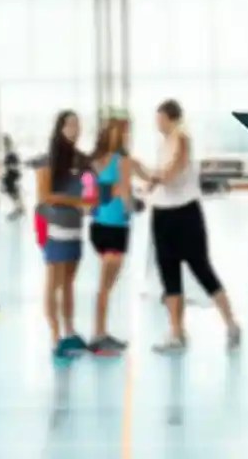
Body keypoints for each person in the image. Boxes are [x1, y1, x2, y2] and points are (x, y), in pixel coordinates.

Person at [148, 99, 240, 354]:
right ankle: (176, 333)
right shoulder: (163, 142)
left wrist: (157, 176)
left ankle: (231, 324)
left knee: (202, 270)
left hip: (185, 215)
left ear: (171, 118)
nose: (157, 123)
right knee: (169, 275)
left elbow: (173, 170)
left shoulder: (182, 137)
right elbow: (160, 175)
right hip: (162, 215)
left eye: (160, 118)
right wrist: (151, 182)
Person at [37, 110, 94, 359]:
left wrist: (88, 203)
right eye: (70, 124)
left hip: (75, 228)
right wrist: (75, 201)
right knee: (54, 281)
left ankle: (69, 331)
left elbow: (91, 193)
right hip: (56, 227)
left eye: (78, 124)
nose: (75, 128)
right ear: (59, 128)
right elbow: (45, 196)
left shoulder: (82, 160)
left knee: (69, 282)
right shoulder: (48, 160)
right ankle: (55, 336)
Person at [87, 117, 146, 355]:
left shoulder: (115, 161)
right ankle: (98, 336)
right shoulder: (120, 161)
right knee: (105, 284)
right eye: (122, 132)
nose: (125, 136)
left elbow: (109, 194)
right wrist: (133, 203)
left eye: (126, 133)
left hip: (109, 227)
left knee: (107, 286)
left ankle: (101, 333)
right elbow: (121, 195)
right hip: (111, 228)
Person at [0, 135, 25, 220]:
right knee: (14, 194)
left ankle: (19, 209)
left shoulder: (11, 154)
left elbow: (15, 166)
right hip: (10, 178)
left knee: (15, 194)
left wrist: (10, 168)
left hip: (12, 178)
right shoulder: (9, 153)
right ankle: (19, 208)